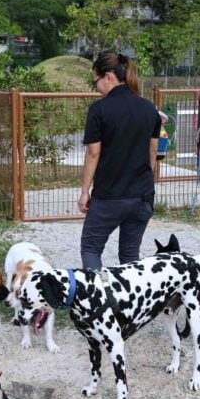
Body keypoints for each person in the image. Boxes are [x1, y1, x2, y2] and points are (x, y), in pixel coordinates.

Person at [79, 52, 162, 269]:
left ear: (108, 76)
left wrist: (84, 191)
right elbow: (152, 152)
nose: (95, 87)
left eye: (95, 81)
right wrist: (144, 183)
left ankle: (97, 299)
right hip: (142, 196)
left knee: (91, 248)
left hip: (109, 198)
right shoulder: (149, 108)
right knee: (130, 253)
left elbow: (93, 153)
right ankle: (134, 301)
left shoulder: (99, 109)